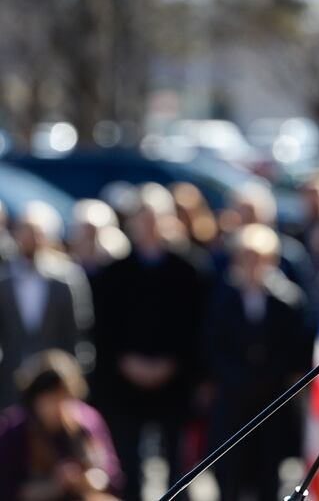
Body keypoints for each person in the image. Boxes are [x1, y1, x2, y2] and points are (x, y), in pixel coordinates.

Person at [91, 184, 207, 501]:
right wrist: (127, 362)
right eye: (143, 216)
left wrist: (171, 364)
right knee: (128, 466)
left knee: (177, 467)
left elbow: (194, 326)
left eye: (156, 217)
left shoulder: (187, 270)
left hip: (174, 382)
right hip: (124, 384)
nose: (150, 224)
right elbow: (104, 328)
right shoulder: (115, 273)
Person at [205, 223, 311, 501]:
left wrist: (268, 379)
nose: (253, 265)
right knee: (230, 477)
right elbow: (213, 348)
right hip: (232, 402)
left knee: (268, 477)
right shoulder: (221, 300)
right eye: (246, 257)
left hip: (271, 403)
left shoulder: (287, 300)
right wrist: (238, 378)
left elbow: (293, 351)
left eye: (259, 258)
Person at [0, 202, 93, 408]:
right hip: (11, 381)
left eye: (36, 232)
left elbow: (76, 332)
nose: (30, 239)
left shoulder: (67, 278)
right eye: (25, 231)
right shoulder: (4, 280)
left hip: (54, 384)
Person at [0, 349, 122, 500]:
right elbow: (7, 488)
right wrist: (54, 484)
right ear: (34, 399)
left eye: (63, 396)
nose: (57, 406)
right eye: (50, 397)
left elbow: (111, 475)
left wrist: (88, 480)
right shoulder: (14, 429)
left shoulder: (87, 422)